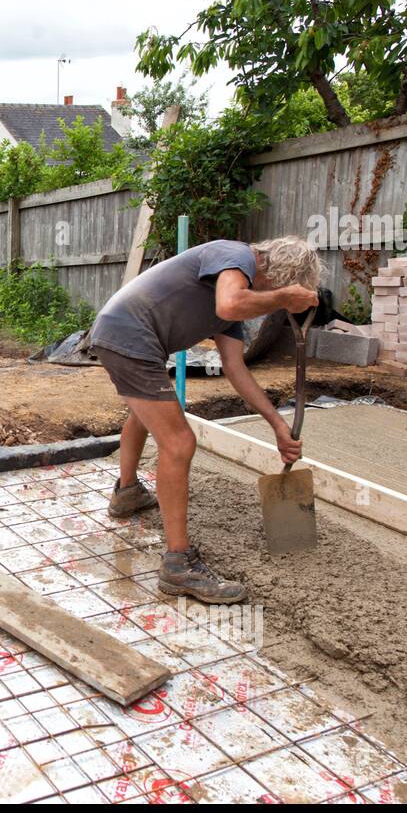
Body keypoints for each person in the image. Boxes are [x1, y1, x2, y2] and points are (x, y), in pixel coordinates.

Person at [88, 236, 322, 604]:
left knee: (146, 411)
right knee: (179, 442)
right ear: (277, 275)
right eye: (277, 291)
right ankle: (179, 565)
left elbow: (235, 368)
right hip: (129, 335)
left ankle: (128, 492)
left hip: (128, 335)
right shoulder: (234, 256)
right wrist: (282, 298)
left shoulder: (232, 298)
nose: (271, 303)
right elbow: (231, 304)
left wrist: (277, 425)